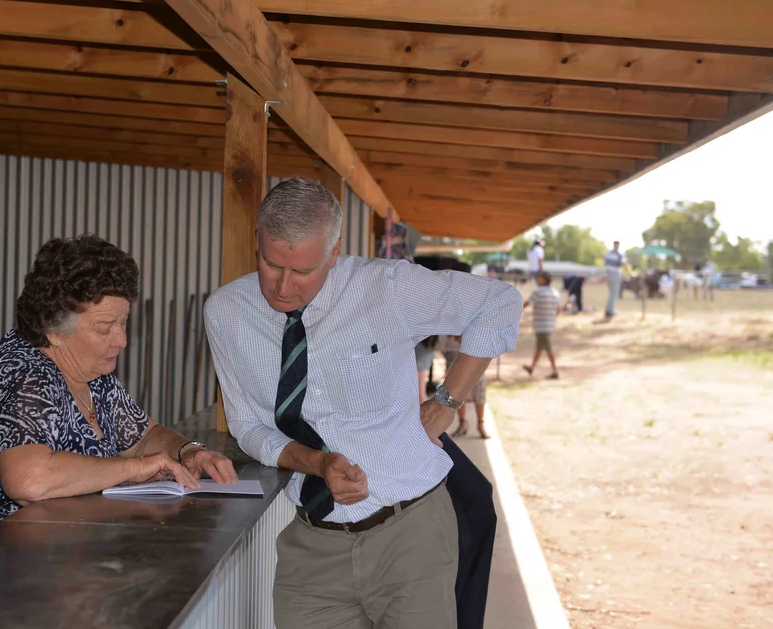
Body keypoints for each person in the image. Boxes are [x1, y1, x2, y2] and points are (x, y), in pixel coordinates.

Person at [204, 178, 522, 629]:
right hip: (312, 551)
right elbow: (248, 427)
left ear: (334, 254)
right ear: (257, 240)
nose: (282, 287)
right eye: (271, 264)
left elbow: (500, 303)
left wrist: (448, 400)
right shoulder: (226, 312)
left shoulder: (386, 287)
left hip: (410, 537)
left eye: (303, 271)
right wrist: (318, 462)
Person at [0, 235, 237, 582]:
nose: (122, 339)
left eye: (124, 322)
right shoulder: (29, 375)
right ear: (54, 330)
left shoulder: (91, 371)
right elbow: (28, 479)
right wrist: (132, 468)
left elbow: (144, 434)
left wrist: (188, 450)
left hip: (19, 573)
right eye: (105, 328)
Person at [443, 335, 490, 439]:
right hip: (453, 348)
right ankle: (462, 422)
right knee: (455, 389)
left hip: (476, 348)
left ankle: (480, 423)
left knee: (479, 386)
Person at [522, 272, 563, 379]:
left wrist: (515, 310)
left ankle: (555, 371)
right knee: (540, 347)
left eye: (538, 279)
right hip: (549, 324)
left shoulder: (537, 292)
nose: (537, 281)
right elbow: (558, 310)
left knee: (547, 347)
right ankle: (532, 367)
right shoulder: (555, 293)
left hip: (540, 324)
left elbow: (527, 304)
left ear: (544, 280)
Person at [604, 240, 630, 319]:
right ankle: (610, 311)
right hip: (615, 274)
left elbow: (605, 263)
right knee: (614, 293)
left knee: (611, 293)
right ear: (618, 245)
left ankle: (608, 310)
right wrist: (630, 272)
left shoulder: (608, 253)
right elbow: (624, 264)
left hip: (608, 274)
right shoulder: (620, 254)